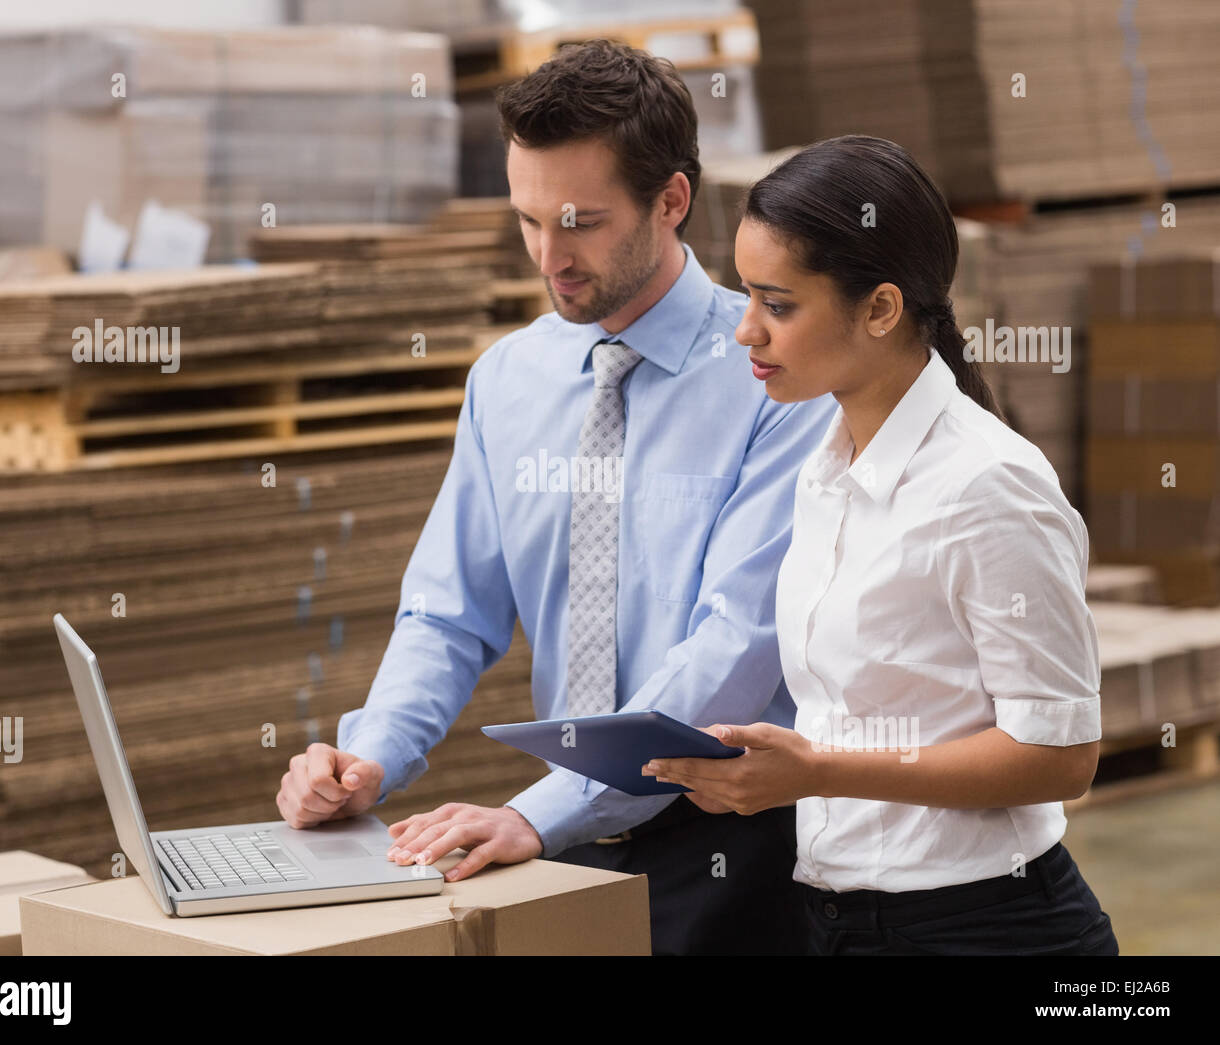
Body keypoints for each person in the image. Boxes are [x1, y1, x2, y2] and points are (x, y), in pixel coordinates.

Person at [273, 40, 836, 955]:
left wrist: (542, 810)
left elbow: (736, 643)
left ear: (672, 201)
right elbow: (448, 612)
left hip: (733, 849)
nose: (549, 256)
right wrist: (369, 756)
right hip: (564, 842)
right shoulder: (508, 381)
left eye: (579, 222)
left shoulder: (774, 378)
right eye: (528, 220)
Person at [644, 135, 1119, 956]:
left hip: (985, 931)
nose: (746, 330)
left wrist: (819, 771)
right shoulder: (824, 467)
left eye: (778, 305)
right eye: (746, 296)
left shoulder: (988, 485)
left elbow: (1060, 754)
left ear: (880, 308)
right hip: (837, 917)